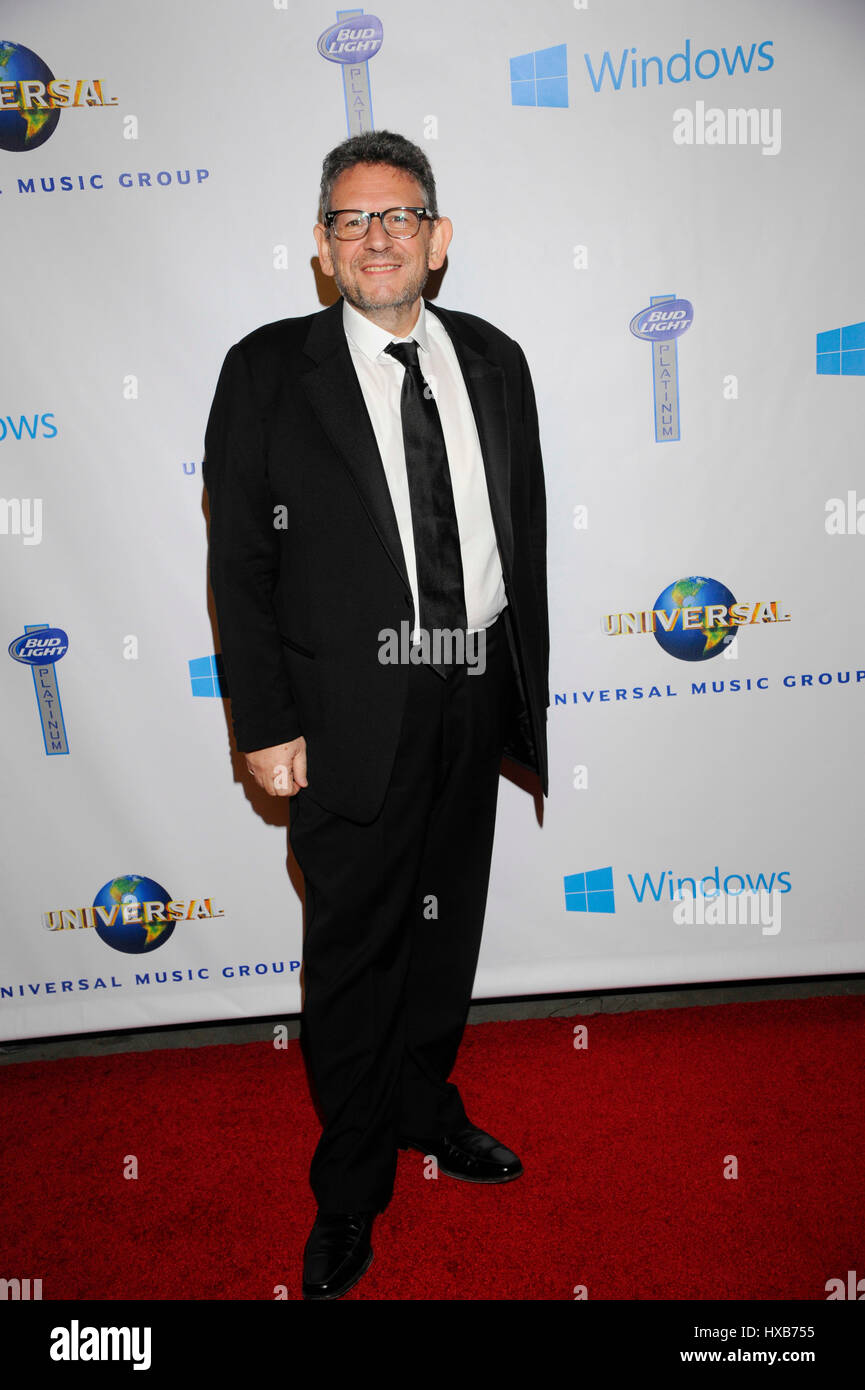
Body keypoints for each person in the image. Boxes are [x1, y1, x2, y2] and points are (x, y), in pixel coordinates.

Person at [203, 130, 549, 1300]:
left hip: (469, 687)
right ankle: (349, 1187)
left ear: (437, 238)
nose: (377, 238)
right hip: (345, 716)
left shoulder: (496, 361)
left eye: (397, 215)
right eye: (351, 221)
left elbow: (521, 539)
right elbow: (243, 564)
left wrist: (517, 690)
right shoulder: (265, 372)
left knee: (443, 937)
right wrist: (263, 719)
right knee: (352, 955)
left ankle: (422, 1107)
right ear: (321, 248)